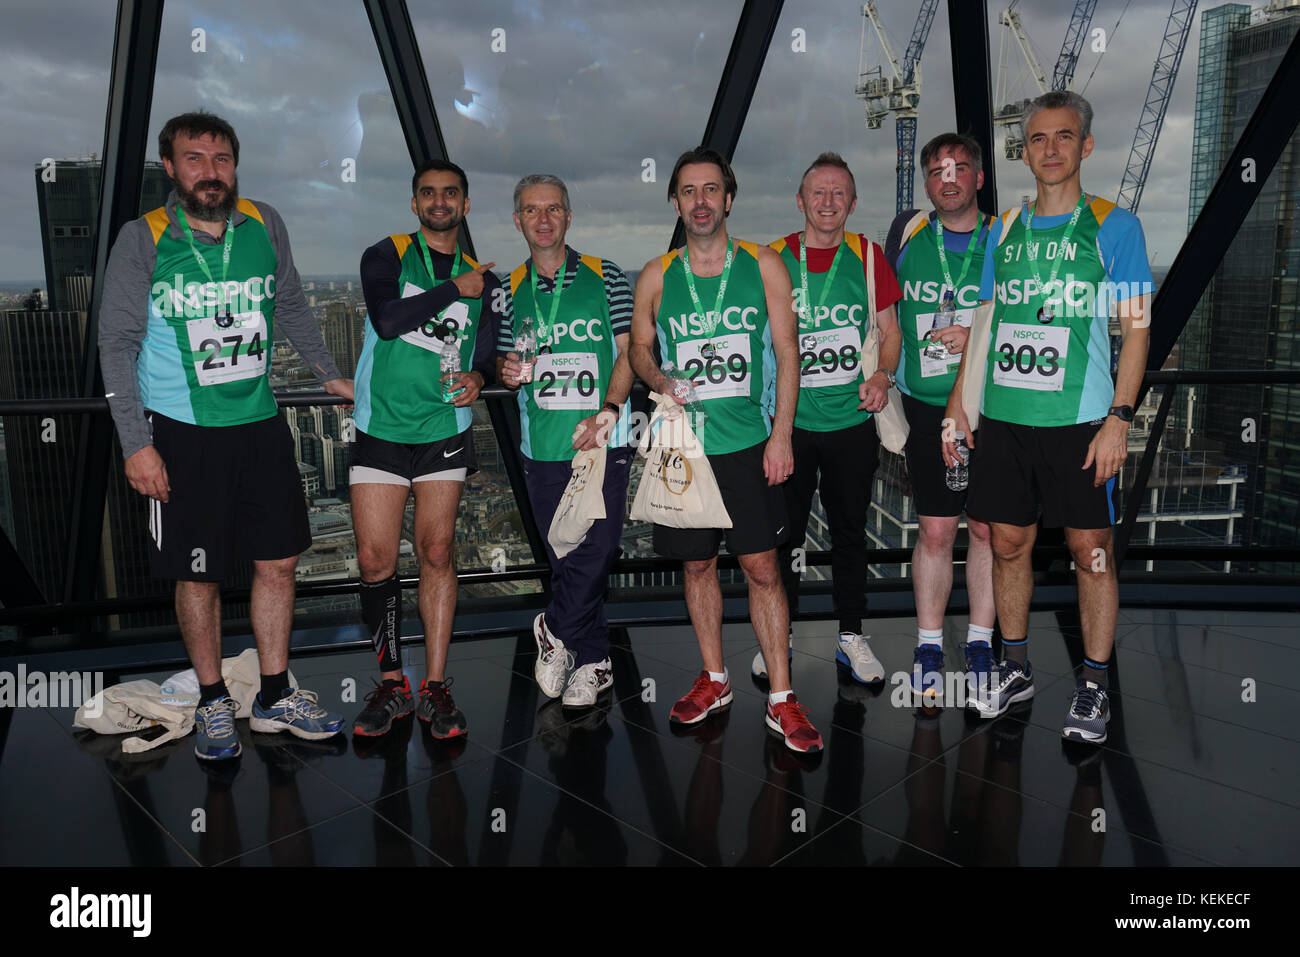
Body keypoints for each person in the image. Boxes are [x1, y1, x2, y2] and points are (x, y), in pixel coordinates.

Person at [99, 111, 353, 761]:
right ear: (171, 167)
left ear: (235, 165)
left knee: (279, 559)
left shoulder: (265, 223)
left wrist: (327, 373)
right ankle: (214, 701)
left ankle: (273, 693)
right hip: (181, 431)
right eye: (195, 158)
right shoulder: (143, 238)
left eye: (221, 159)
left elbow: (290, 301)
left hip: (260, 422)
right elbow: (117, 342)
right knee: (198, 571)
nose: (210, 171)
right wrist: (136, 442)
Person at [945, 91, 1152, 743]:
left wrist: (1120, 416)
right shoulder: (1002, 230)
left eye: (1064, 137)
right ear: (1025, 150)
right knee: (1007, 544)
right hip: (1005, 420)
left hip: (1081, 422)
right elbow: (983, 322)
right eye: (1038, 139)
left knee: (1091, 553)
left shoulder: (1115, 226)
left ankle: (1093, 683)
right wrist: (959, 404)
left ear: (1085, 146)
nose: (1051, 149)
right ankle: (1015, 667)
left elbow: (1137, 330)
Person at [629, 146, 822, 754]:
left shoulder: (765, 266)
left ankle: (783, 696)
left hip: (748, 443)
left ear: (729, 199)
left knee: (764, 570)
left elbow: (789, 354)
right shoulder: (657, 275)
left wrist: (783, 436)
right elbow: (638, 348)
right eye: (688, 191)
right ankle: (714, 679)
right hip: (684, 449)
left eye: (711, 190)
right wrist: (659, 381)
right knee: (697, 565)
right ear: (677, 203)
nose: (701, 201)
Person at [348, 159, 502, 741]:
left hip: (443, 424)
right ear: (415, 204)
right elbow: (388, 321)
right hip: (382, 427)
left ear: (466, 203)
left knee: (436, 551)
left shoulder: (483, 281)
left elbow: (484, 352)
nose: (440, 202)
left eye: (451, 193)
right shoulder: (386, 254)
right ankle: (393, 683)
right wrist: (451, 290)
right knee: (374, 559)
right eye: (429, 194)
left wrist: (480, 377)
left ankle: (435, 685)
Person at [751, 151, 902, 688]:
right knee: (783, 536)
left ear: (854, 203)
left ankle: (851, 633)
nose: (829, 202)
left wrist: (883, 375)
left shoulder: (868, 255)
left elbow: (890, 329)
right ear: (800, 201)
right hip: (787, 428)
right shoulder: (772, 259)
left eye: (840, 193)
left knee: (848, 534)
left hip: (850, 425)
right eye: (819, 192)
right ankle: (780, 635)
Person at [496, 174, 635, 708]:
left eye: (553, 209)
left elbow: (626, 352)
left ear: (569, 216)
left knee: (598, 547)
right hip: (543, 445)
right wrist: (508, 371)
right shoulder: (508, 289)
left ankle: (553, 629)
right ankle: (594, 659)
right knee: (567, 556)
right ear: (518, 220)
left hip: (603, 439)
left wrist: (609, 412)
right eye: (532, 210)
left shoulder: (607, 277)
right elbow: (509, 360)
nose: (544, 219)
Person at [884, 134, 996, 702]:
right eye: (935, 171)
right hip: (926, 408)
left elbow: (1029, 315)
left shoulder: (1003, 239)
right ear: (927, 183)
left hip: (987, 409)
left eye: (958, 169)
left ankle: (979, 641)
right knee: (934, 530)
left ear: (978, 177)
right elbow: (884, 317)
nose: (946, 179)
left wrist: (973, 332)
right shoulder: (907, 237)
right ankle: (929, 644)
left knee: (984, 528)